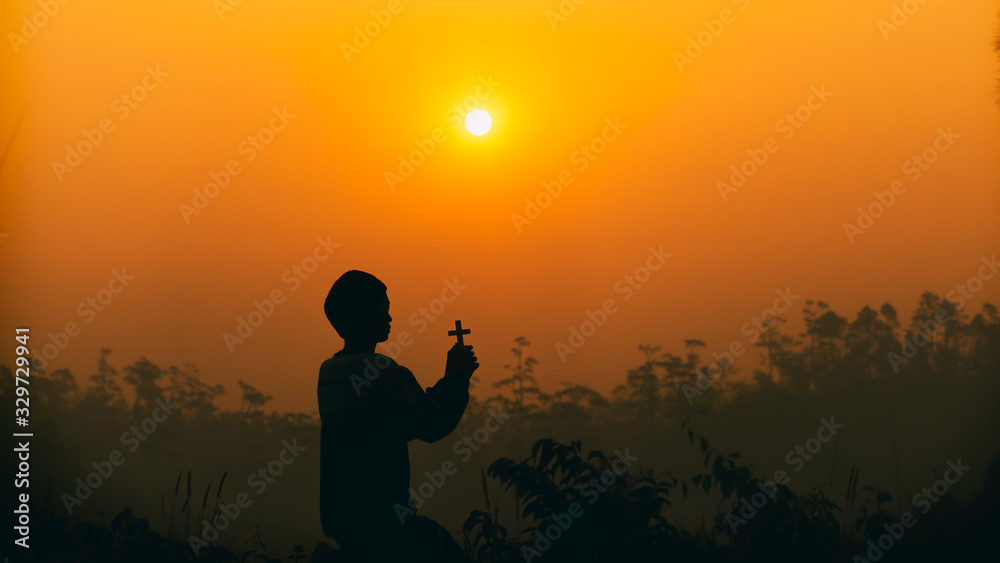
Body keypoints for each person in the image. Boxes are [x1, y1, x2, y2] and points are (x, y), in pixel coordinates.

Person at [317, 270, 478, 562]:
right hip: (385, 522)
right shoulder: (381, 370)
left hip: (340, 520)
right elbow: (431, 424)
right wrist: (457, 378)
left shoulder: (328, 372)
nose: (389, 319)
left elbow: (388, 425)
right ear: (366, 316)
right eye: (384, 311)